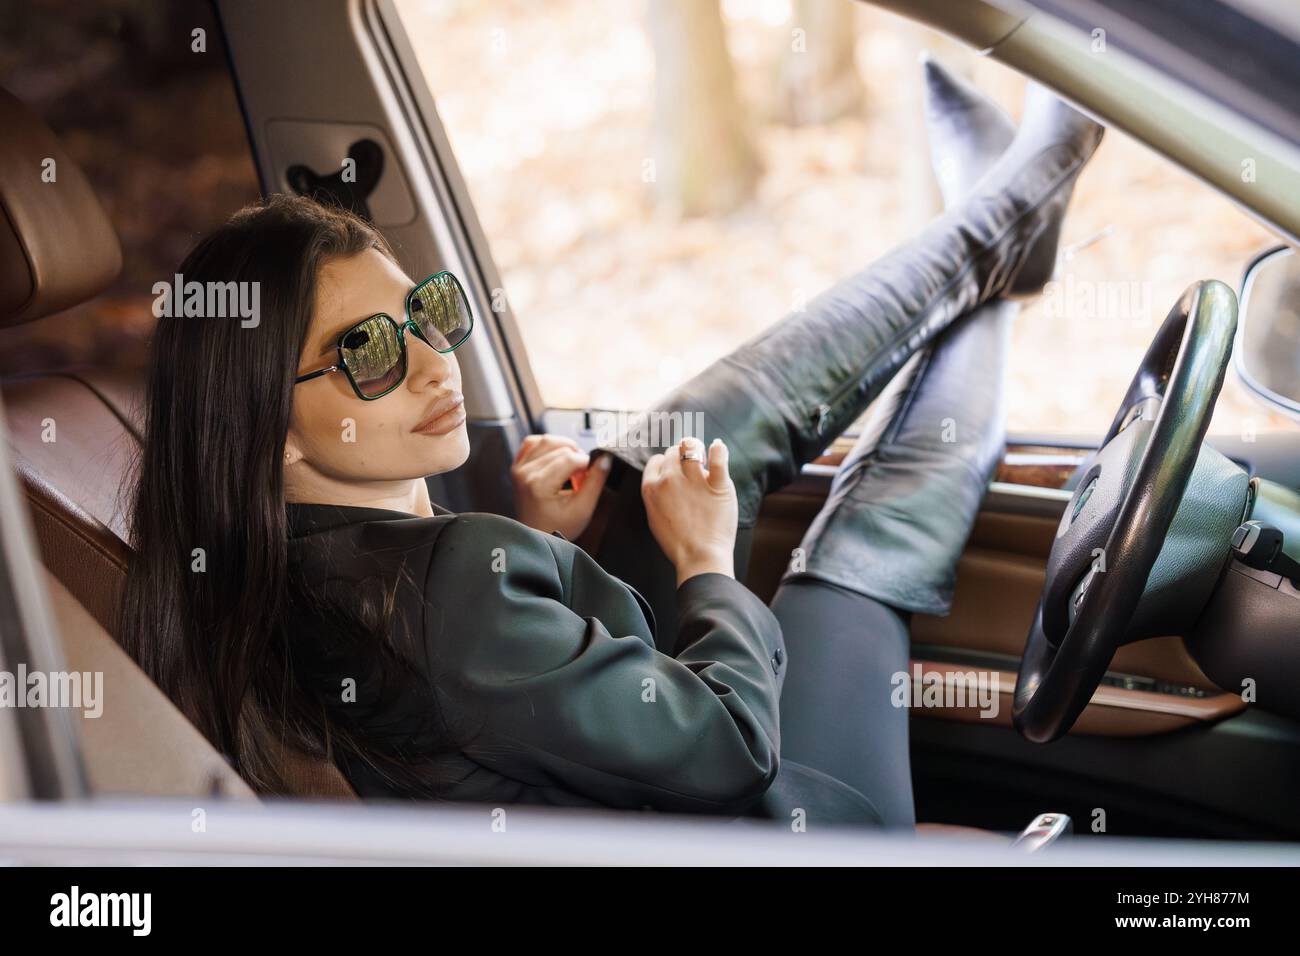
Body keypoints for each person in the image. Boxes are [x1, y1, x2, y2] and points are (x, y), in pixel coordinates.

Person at [118, 62, 1102, 828]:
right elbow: (726, 749)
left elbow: (480, 690)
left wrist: (538, 541)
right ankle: (1012, 213)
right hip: (776, 822)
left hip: (619, 762)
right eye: (367, 352)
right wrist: (705, 562)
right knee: (874, 523)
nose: (432, 361)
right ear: (268, 435)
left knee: (683, 438)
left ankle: (1002, 221)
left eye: (428, 311)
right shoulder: (449, 588)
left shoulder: (264, 574)